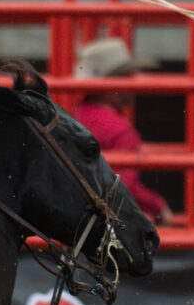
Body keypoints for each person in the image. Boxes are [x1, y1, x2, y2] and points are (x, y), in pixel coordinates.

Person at [69, 37, 170, 224]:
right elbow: (122, 186)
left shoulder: (70, 114)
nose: (132, 82)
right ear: (112, 82)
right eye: (126, 76)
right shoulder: (120, 130)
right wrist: (156, 205)